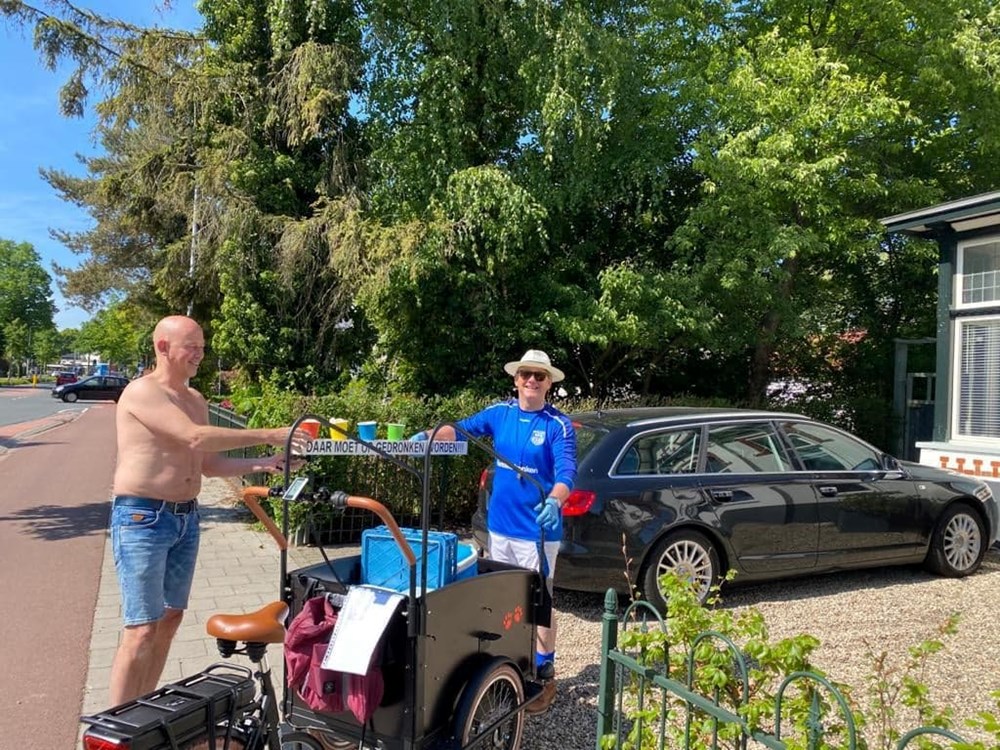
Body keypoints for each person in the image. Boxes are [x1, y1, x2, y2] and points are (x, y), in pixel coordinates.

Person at [108, 314, 307, 705]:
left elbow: (208, 464)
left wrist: (265, 462)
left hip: (186, 518)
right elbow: (194, 437)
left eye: (202, 346)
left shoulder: (194, 399)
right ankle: (114, 730)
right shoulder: (142, 392)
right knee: (141, 628)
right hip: (142, 518)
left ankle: (142, 712)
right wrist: (270, 433)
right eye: (191, 346)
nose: (200, 354)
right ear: (162, 347)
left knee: (170, 619)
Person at [410, 349, 576, 714]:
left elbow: (566, 473)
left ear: (549, 382)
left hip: (538, 533)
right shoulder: (499, 414)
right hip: (499, 530)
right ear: (515, 379)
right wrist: (426, 436)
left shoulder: (557, 425)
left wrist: (555, 501)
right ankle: (505, 664)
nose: (531, 380)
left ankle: (544, 673)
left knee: (539, 602)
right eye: (526, 374)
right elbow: (463, 428)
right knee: (501, 598)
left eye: (539, 375)